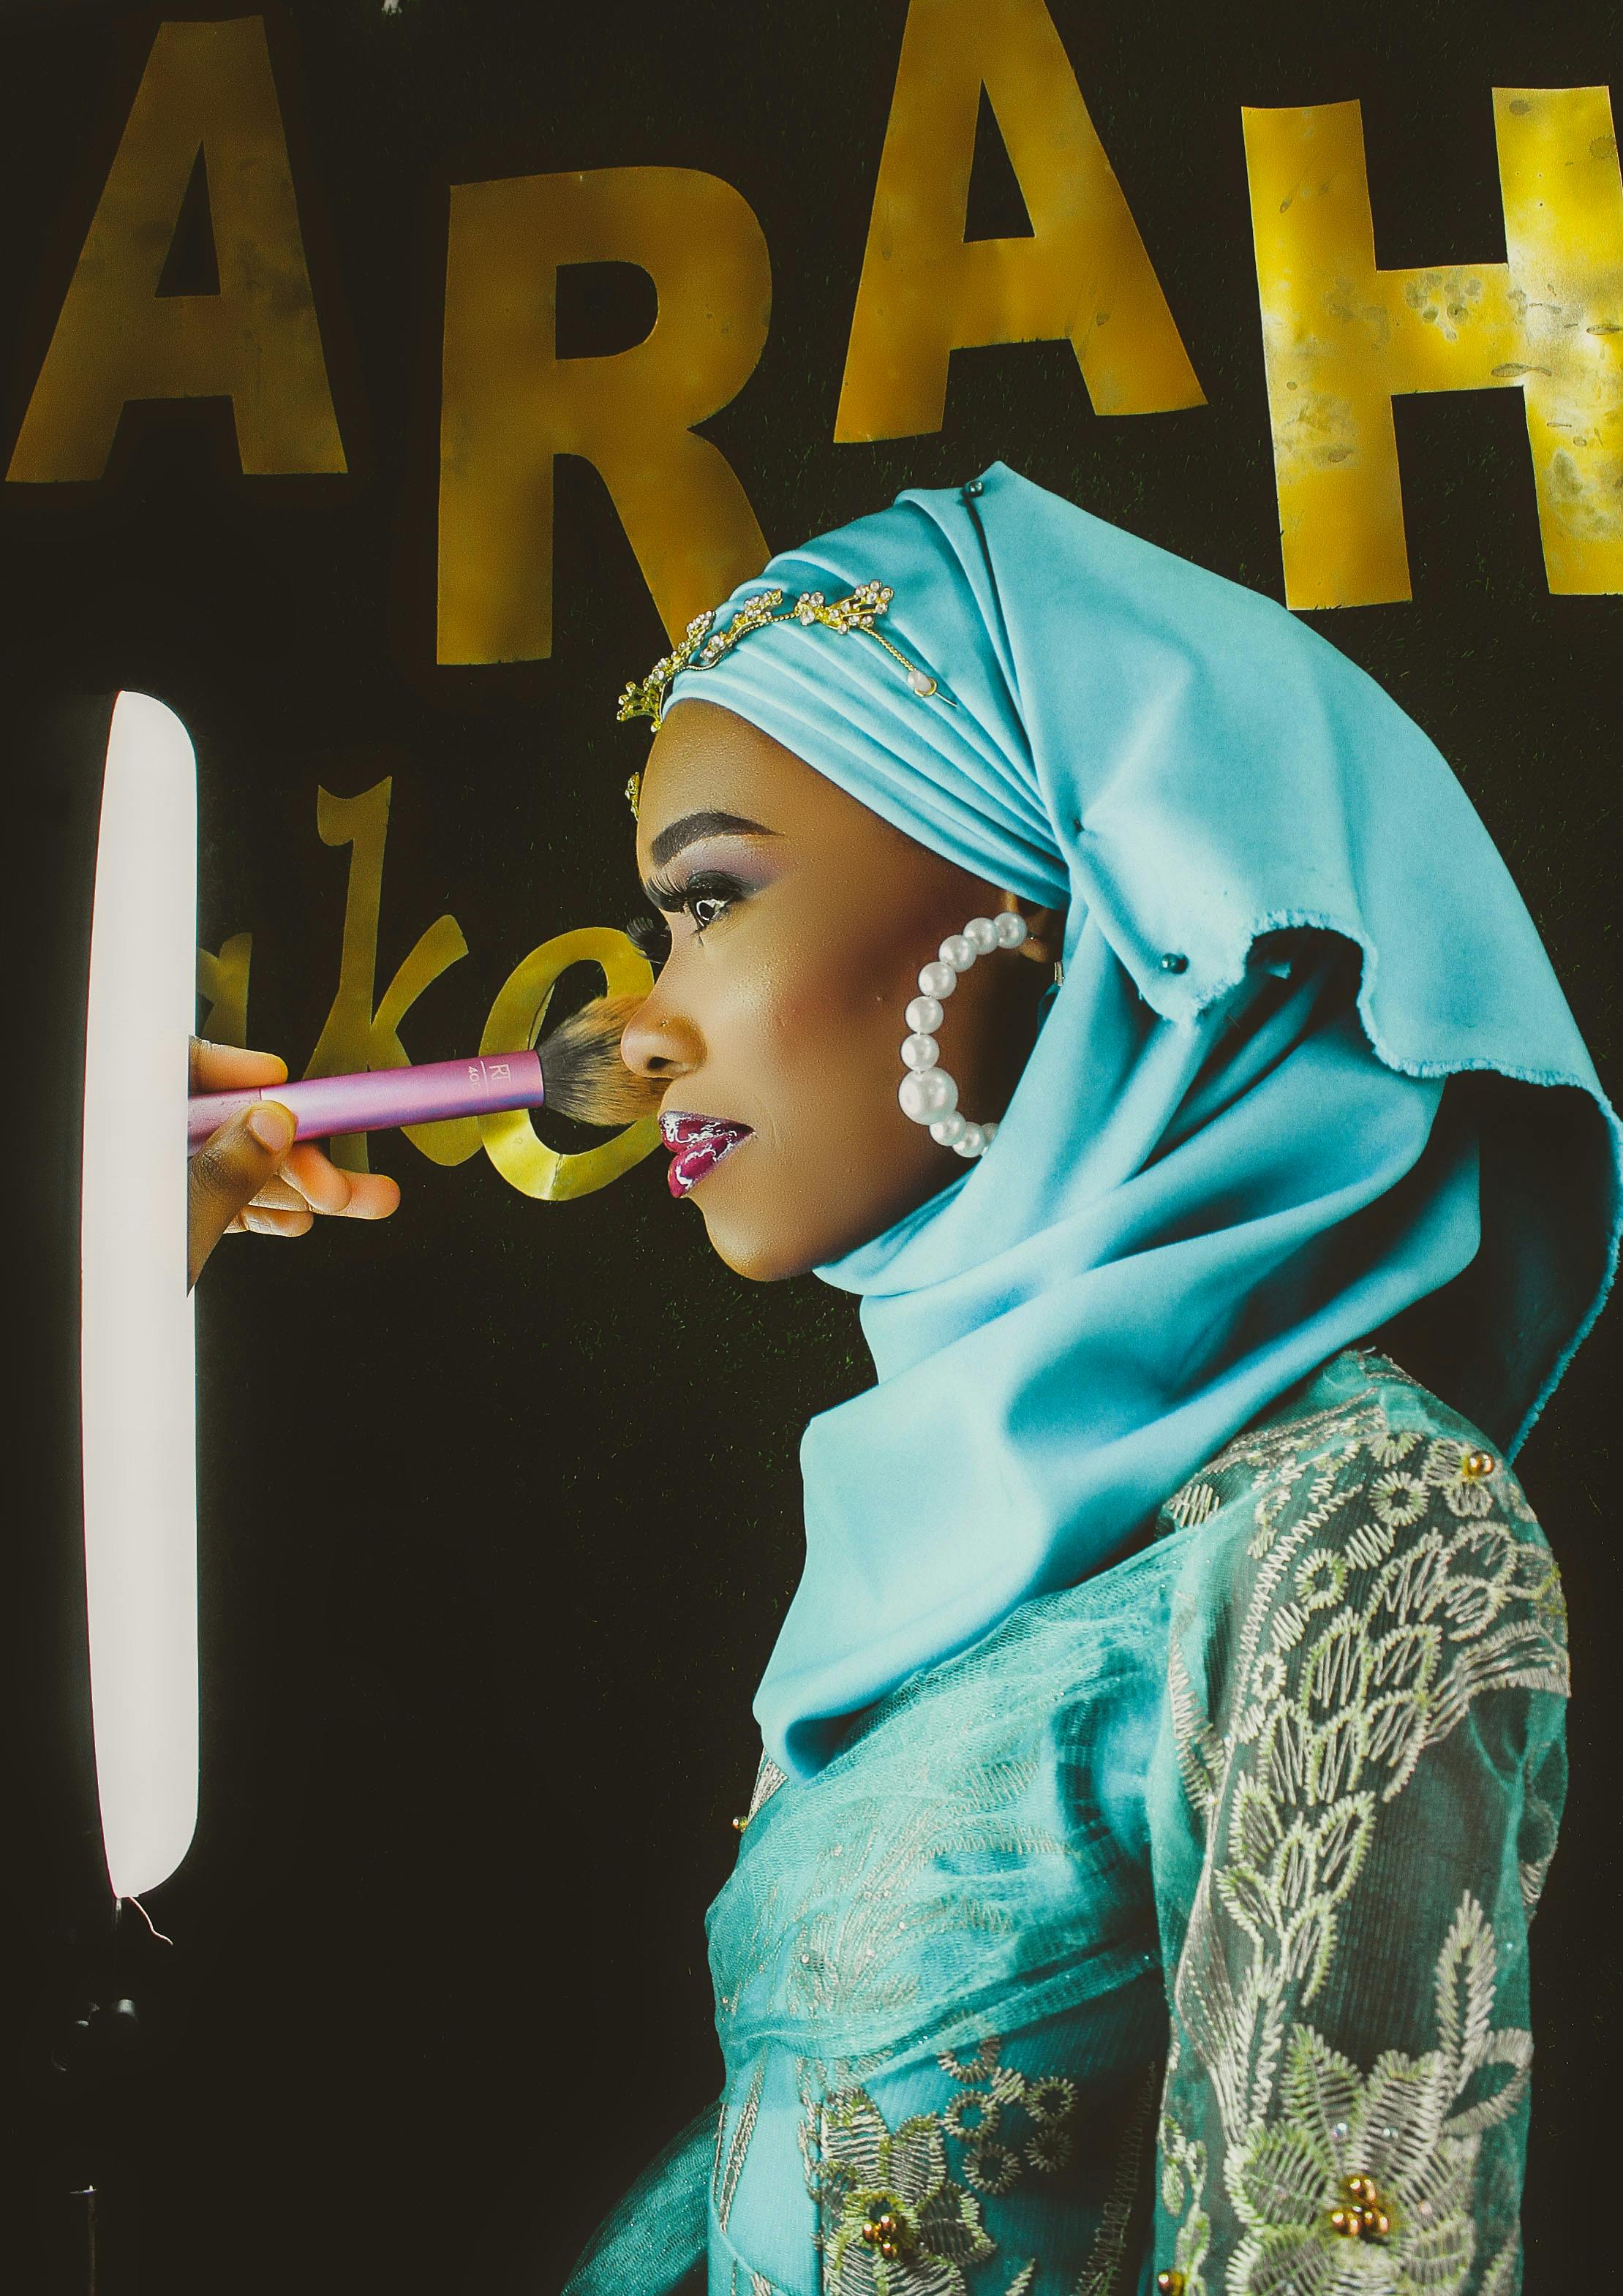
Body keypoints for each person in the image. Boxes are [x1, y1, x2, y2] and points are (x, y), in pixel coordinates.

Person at [191, 467, 1619, 2295]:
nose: (639, 1020)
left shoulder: (1358, 1524)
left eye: (710, 899)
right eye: (657, 919)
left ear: (1039, 911)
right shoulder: (918, 1533)